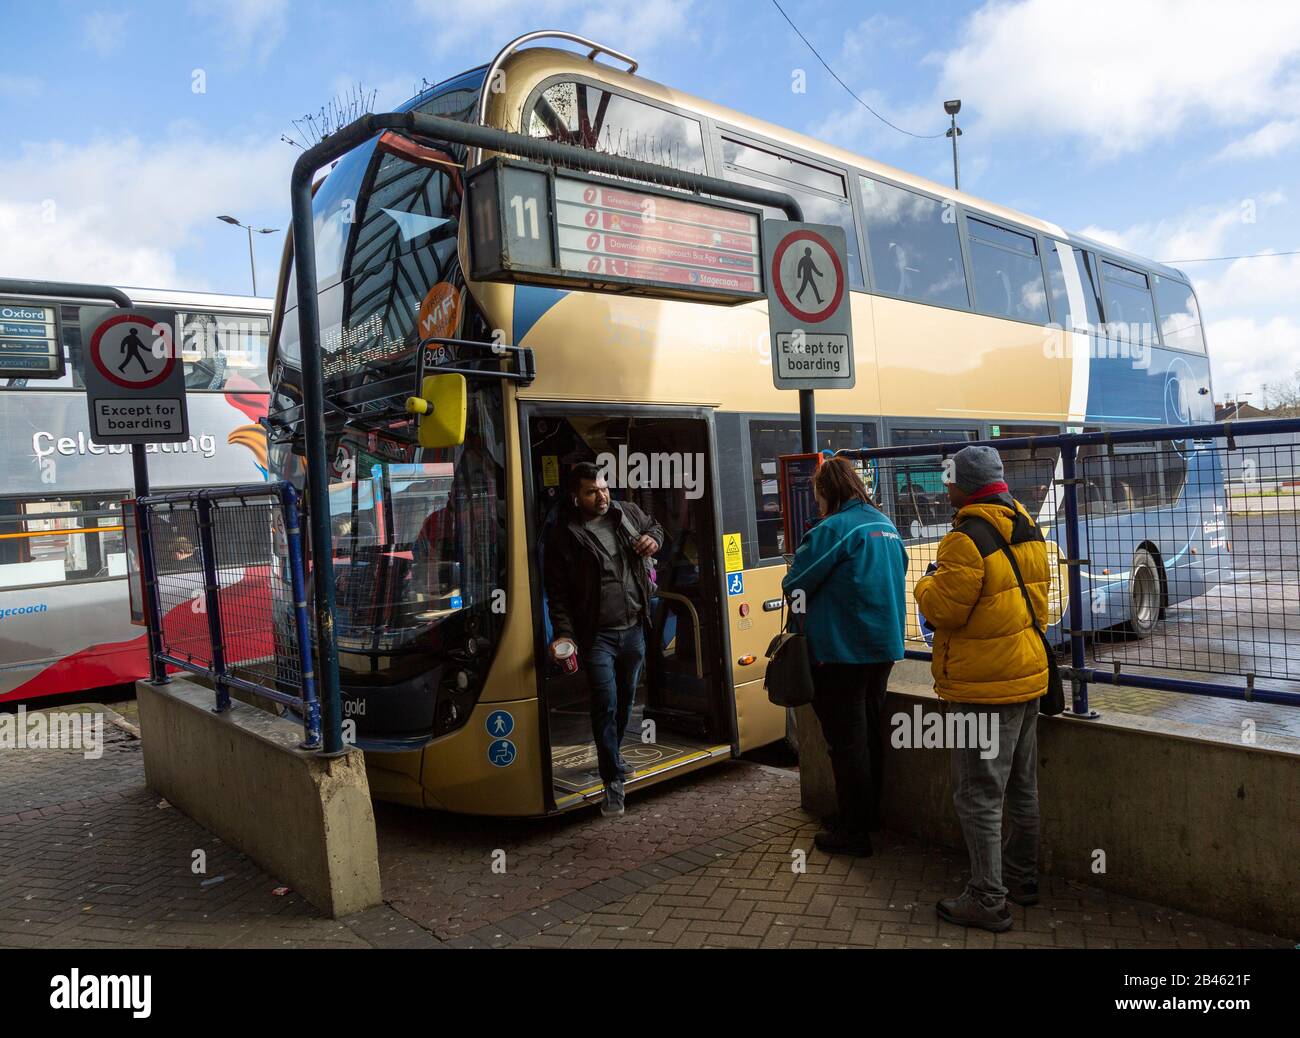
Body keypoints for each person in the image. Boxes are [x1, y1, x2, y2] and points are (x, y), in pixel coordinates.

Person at [913, 445, 1051, 933]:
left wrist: (924, 585)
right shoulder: (1027, 526)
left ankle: (988, 899)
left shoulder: (964, 538)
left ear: (964, 485)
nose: (944, 488)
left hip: (984, 686)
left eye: (948, 479)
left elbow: (944, 610)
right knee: (1021, 786)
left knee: (977, 794)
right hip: (1028, 673)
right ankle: (1021, 880)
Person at [782, 456, 908, 857]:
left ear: (827, 491)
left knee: (845, 742)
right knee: (869, 733)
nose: (816, 500)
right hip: (883, 647)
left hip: (843, 651)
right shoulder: (885, 524)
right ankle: (866, 816)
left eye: (818, 493)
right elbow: (900, 569)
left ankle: (853, 832)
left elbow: (796, 582)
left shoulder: (834, 528)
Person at [544, 462, 663, 819]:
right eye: (592, 491)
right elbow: (558, 593)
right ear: (575, 496)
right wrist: (565, 633)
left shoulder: (626, 513)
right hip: (597, 636)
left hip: (634, 628)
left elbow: (655, 526)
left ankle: (613, 755)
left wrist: (653, 538)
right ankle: (612, 781)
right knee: (605, 702)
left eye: (604, 487)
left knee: (627, 697)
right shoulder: (564, 535)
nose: (602, 495)